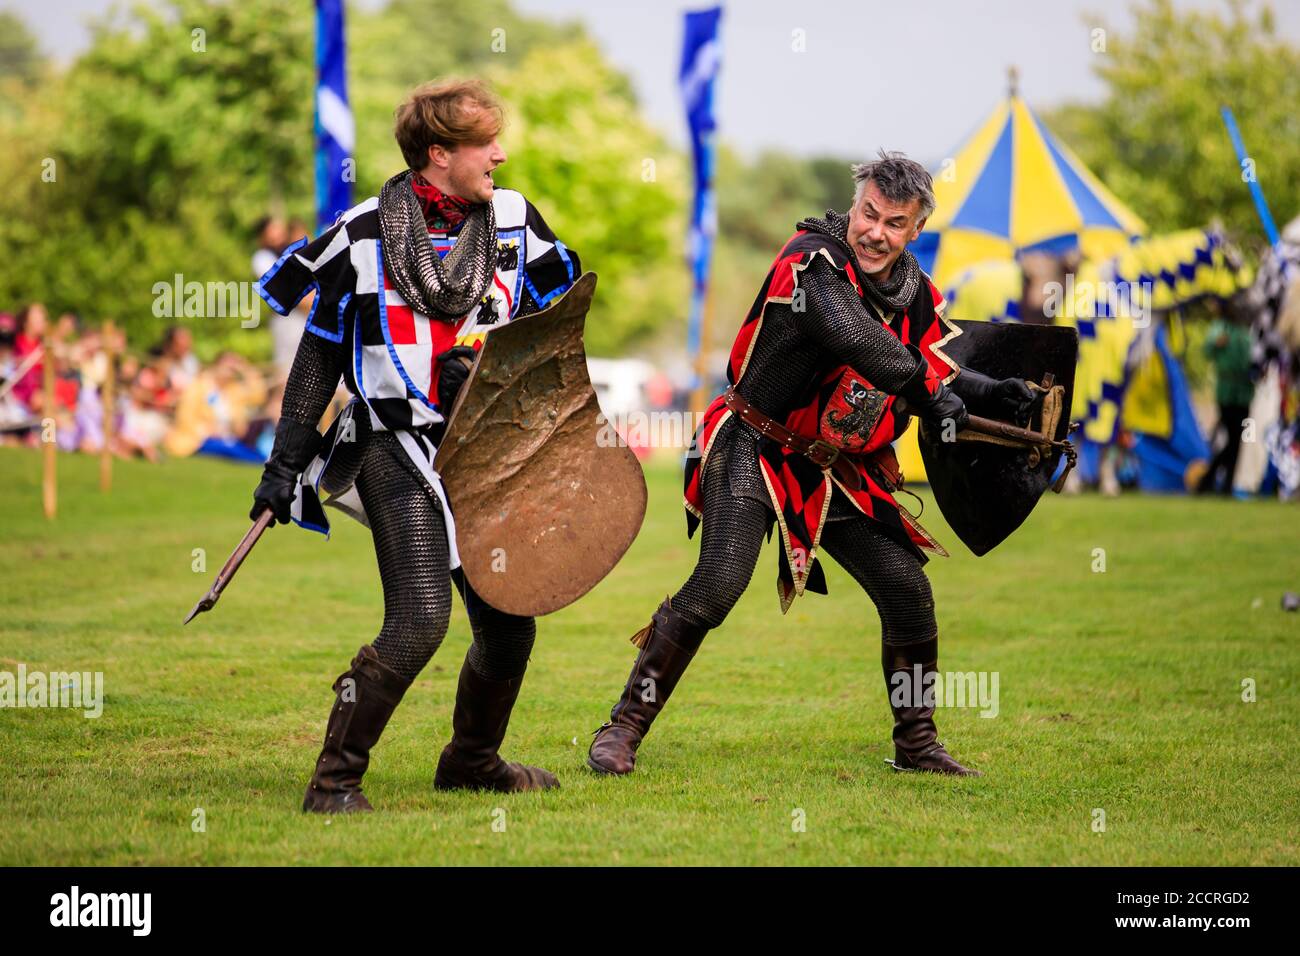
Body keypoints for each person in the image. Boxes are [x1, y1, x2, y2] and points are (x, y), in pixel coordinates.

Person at [588, 151, 1035, 779]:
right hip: (753, 442)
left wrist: (994, 391)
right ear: (854, 206)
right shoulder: (811, 261)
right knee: (718, 585)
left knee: (907, 590)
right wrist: (932, 397)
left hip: (830, 469)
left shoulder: (911, 290)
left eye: (894, 222)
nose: (875, 232)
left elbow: (934, 357)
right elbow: (852, 335)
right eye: (869, 213)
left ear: (915, 231)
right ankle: (622, 728)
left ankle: (916, 743)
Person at [253, 78, 581, 812]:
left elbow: (560, 318)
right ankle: (333, 781)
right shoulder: (364, 233)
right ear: (439, 153)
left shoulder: (515, 222)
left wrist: (498, 367)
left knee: (506, 623)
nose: (500, 153)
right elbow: (319, 355)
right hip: (388, 444)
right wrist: (282, 462)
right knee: (422, 617)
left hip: (478, 449)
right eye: (482, 144)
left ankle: (471, 760)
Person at [1197, 310, 1255, 495]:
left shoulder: (1250, 330)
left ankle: (1225, 483)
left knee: (1237, 440)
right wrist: (1217, 342)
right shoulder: (1221, 328)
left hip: (1244, 391)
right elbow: (1207, 350)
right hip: (1226, 391)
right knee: (1230, 439)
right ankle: (1209, 480)